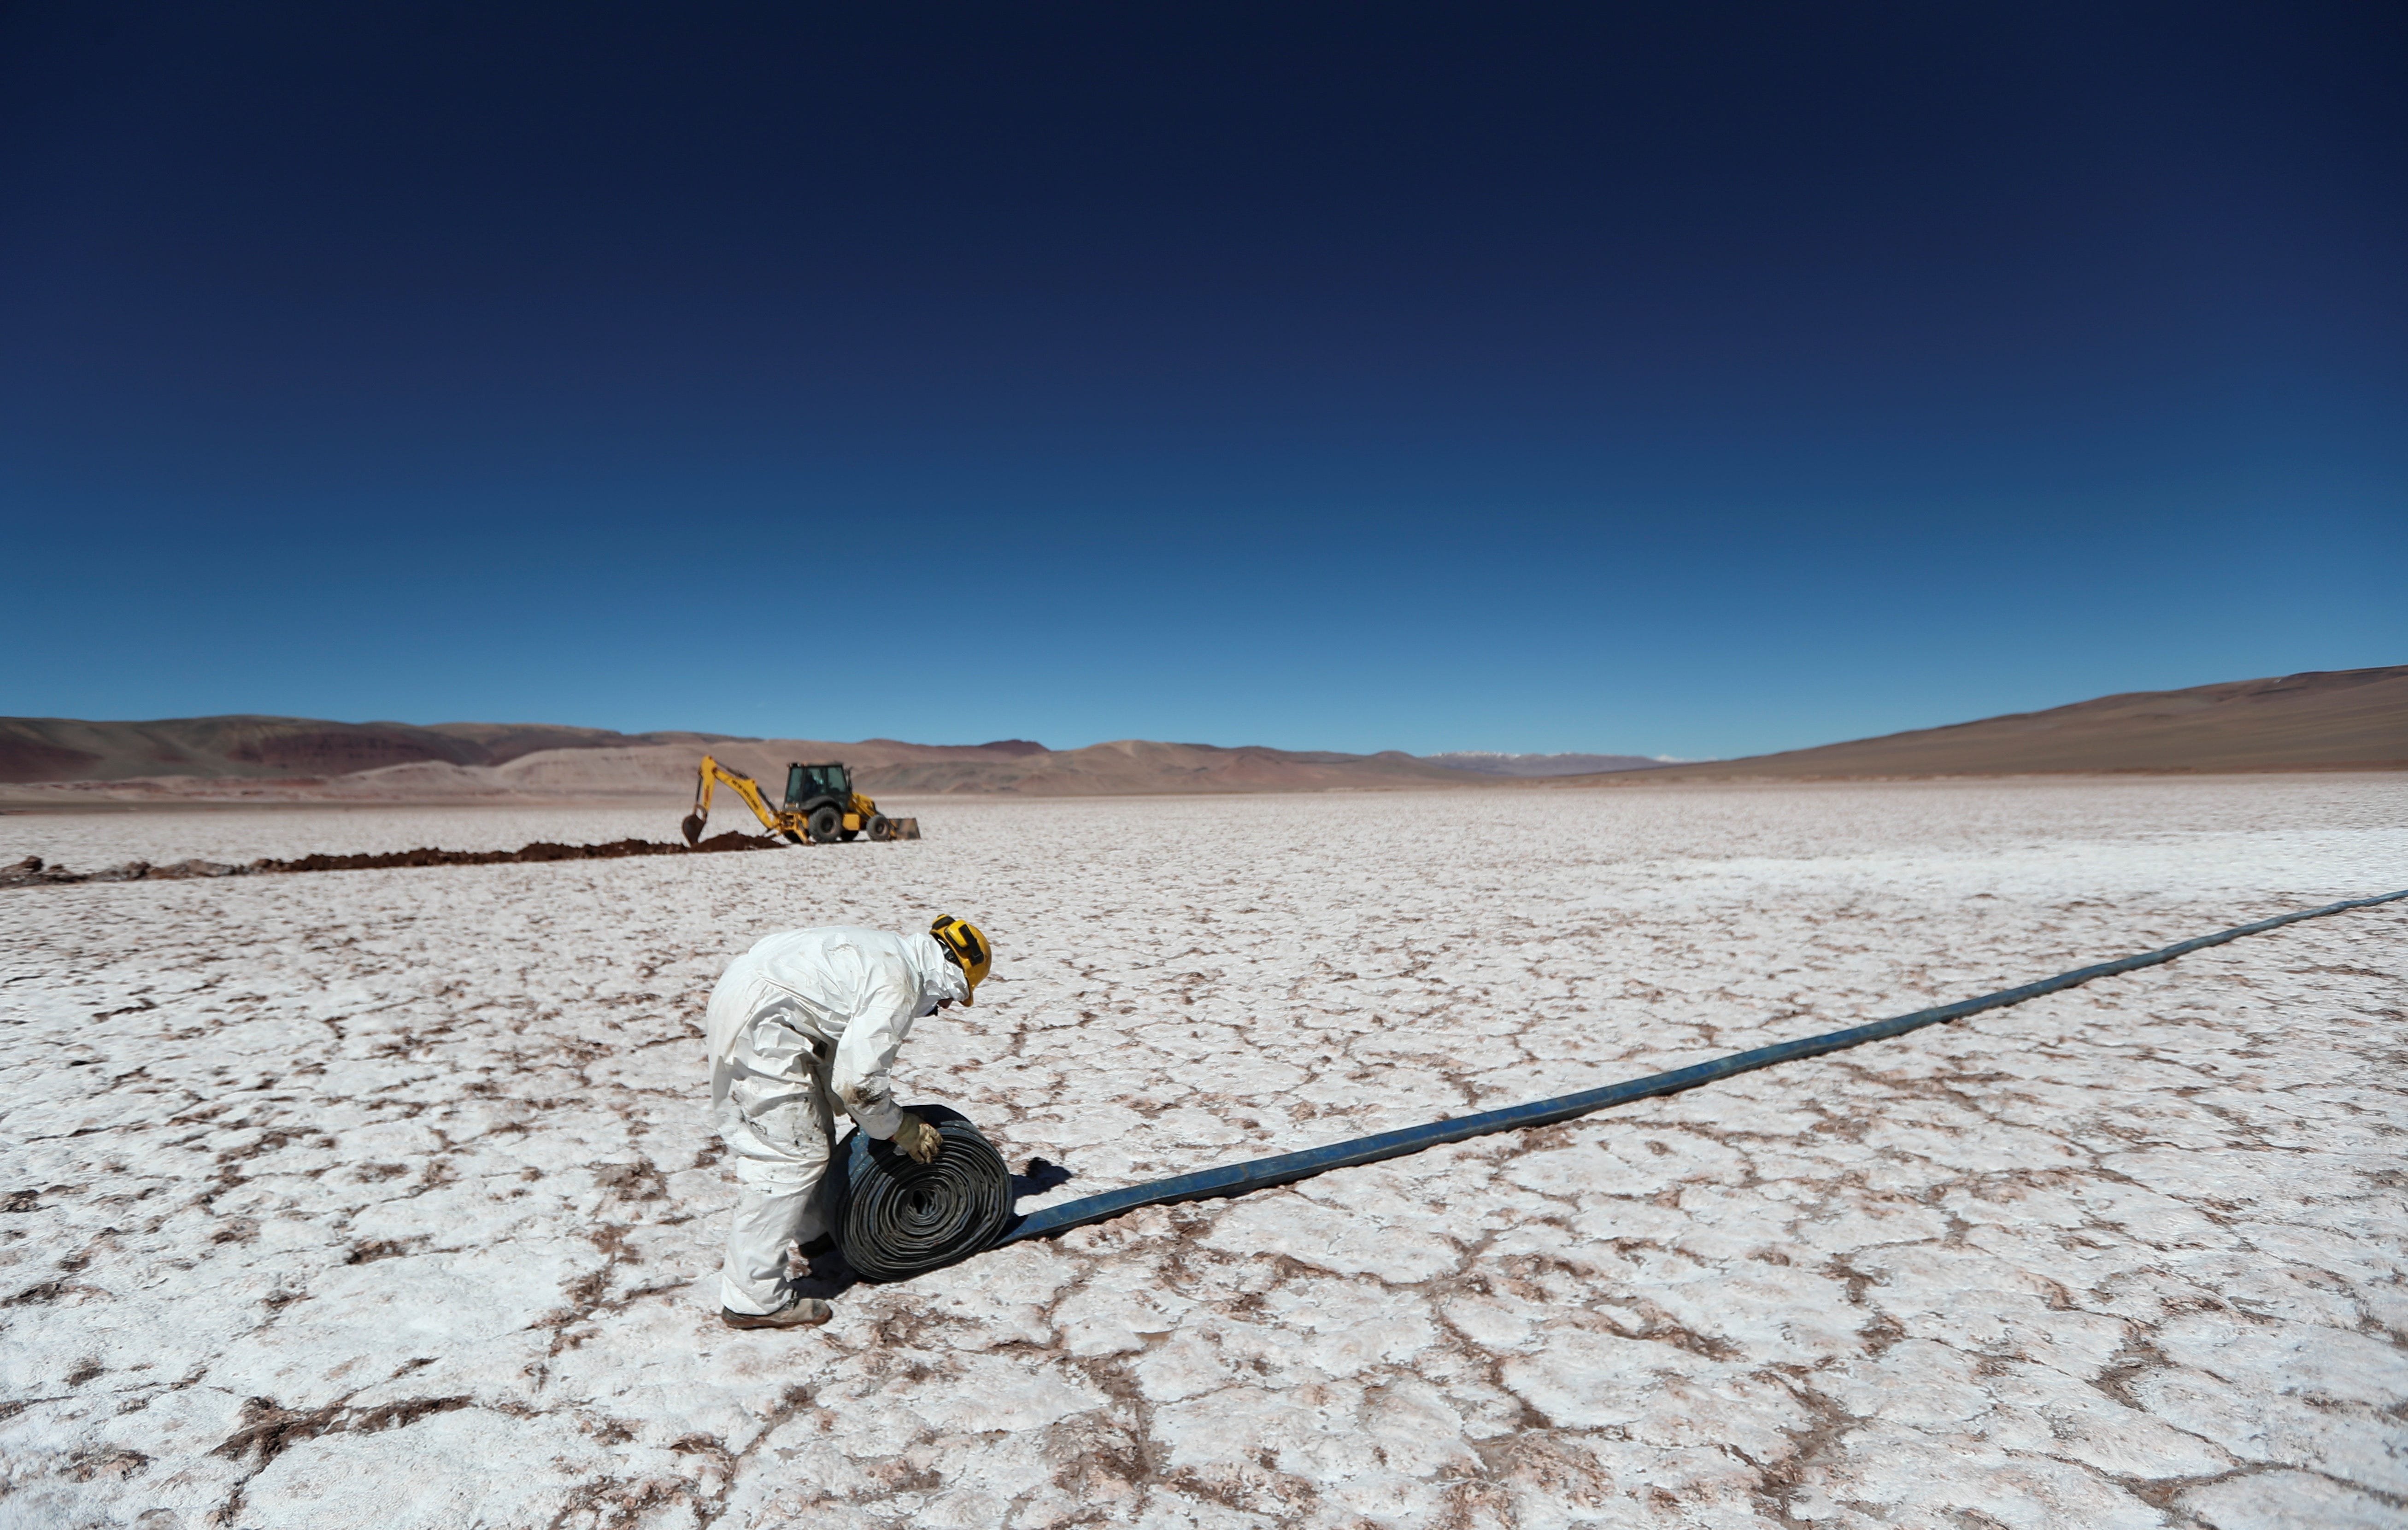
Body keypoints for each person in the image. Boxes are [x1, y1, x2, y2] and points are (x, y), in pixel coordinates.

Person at [705, 915, 992, 1329]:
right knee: (786, 1158)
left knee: (808, 1136)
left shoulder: (891, 951)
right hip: (764, 1025)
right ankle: (753, 1300)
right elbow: (859, 1084)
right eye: (947, 1003)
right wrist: (900, 1128)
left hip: (754, 998)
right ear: (949, 981)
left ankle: (815, 1233)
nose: (941, 1010)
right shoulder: (900, 983)